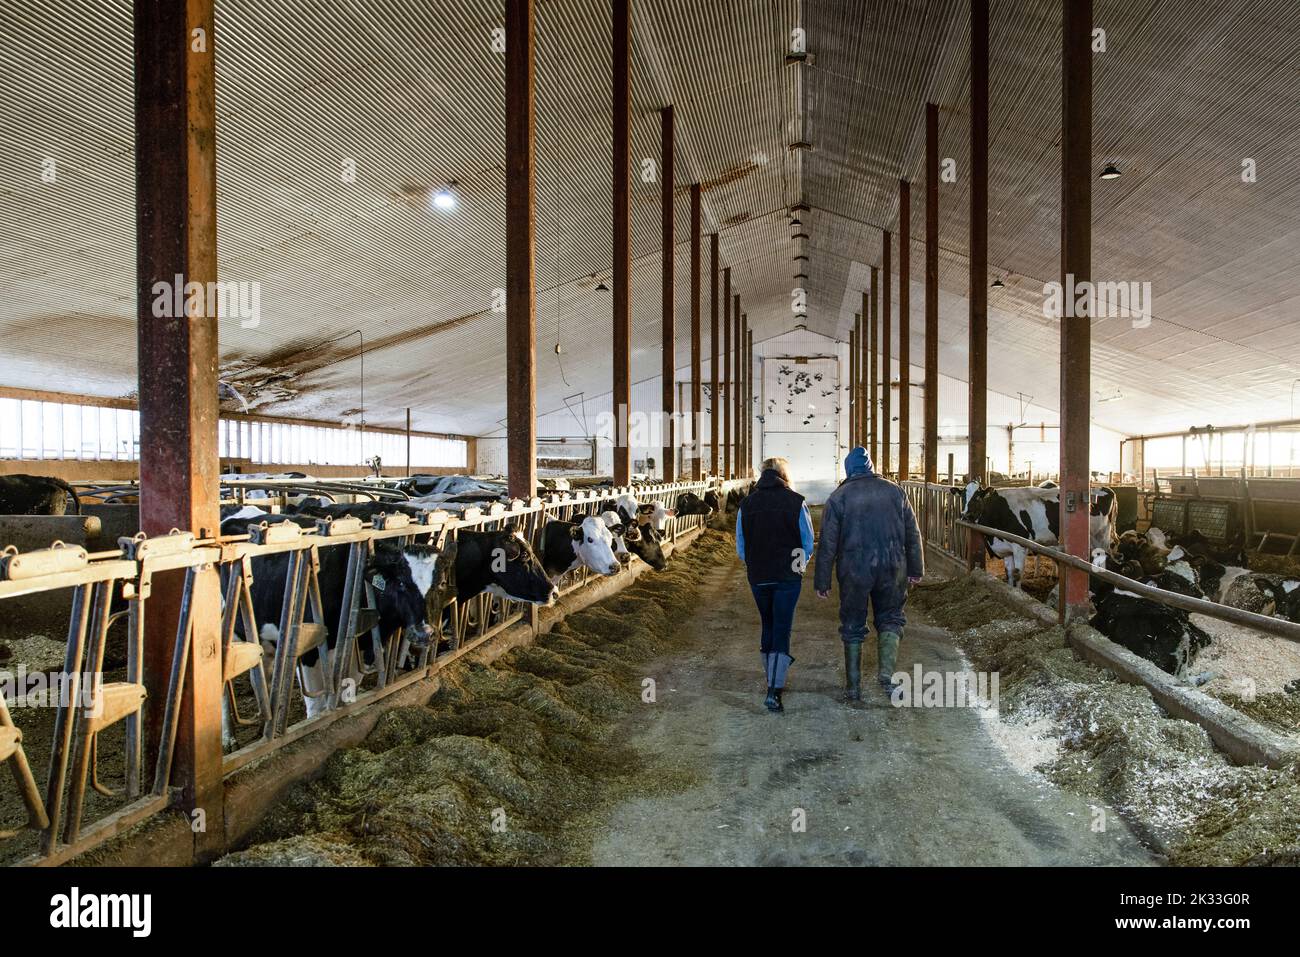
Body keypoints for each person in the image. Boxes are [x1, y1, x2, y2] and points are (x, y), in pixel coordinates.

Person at [813, 446, 923, 700]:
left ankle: (853, 688)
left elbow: (828, 544)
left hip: (854, 570)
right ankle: (886, 677)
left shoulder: (838, 497)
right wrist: (916, 569)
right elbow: (913, 533)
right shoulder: (895, 491)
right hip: (893, 566)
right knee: (892, 618)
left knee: (852, 623)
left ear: (848, 469)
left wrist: (822, 580)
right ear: (871, 467)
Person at [736, 457, 815, 713]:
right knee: (782, 627)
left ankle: (771, 679)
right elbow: (807, 542)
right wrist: (797, 568)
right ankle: (774, 690)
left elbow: (741, 546)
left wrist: (755, 564)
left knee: (767, 623)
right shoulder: (796, 501)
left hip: (759, 575)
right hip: (787, 577)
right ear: (784, 474)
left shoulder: (746, 504)